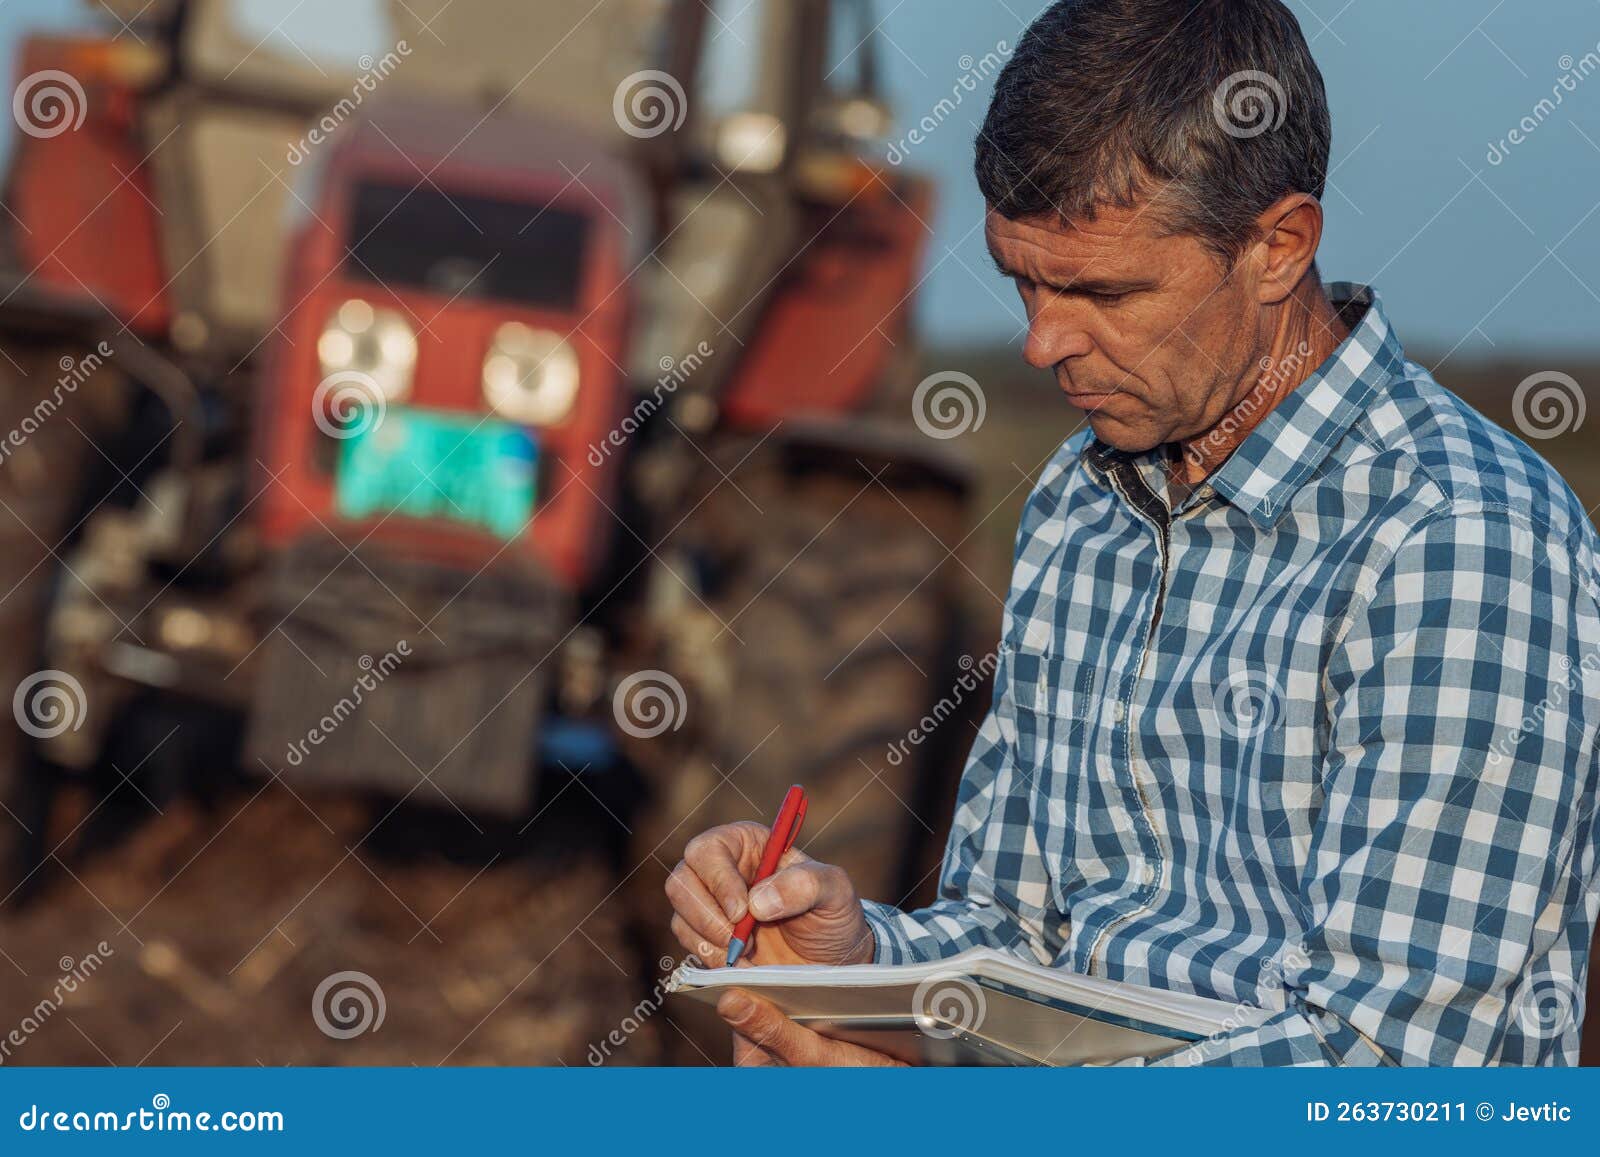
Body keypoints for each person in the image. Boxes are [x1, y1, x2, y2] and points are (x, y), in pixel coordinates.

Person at [665, 0, 1600, 1066]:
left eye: (1103, 290)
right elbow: (1016, 947)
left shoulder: (1460, 546)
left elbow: (1390, 1074)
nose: (1043, 340)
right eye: (1022, 280)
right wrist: (859, 958)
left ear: (1277, 247)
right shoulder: (1081, 498)